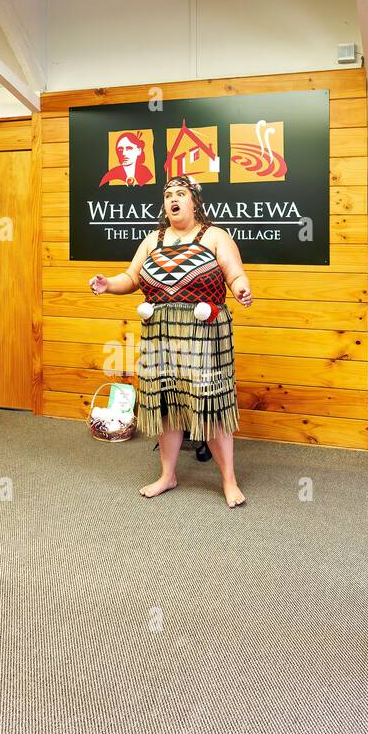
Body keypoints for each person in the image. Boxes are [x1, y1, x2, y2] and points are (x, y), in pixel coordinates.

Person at [89, 175, 251, 507]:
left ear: (194, 202)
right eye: (167, 195)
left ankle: (229, 481)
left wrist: (240, 288)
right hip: (160, 332)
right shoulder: (152, 240)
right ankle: (168, 475)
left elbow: (234, 274)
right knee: (165, 406)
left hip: (204, 332)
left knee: (214, 406)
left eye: (180, 193)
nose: (173, 199)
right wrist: (109, 284)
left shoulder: (215, 236)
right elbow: (132, 277)